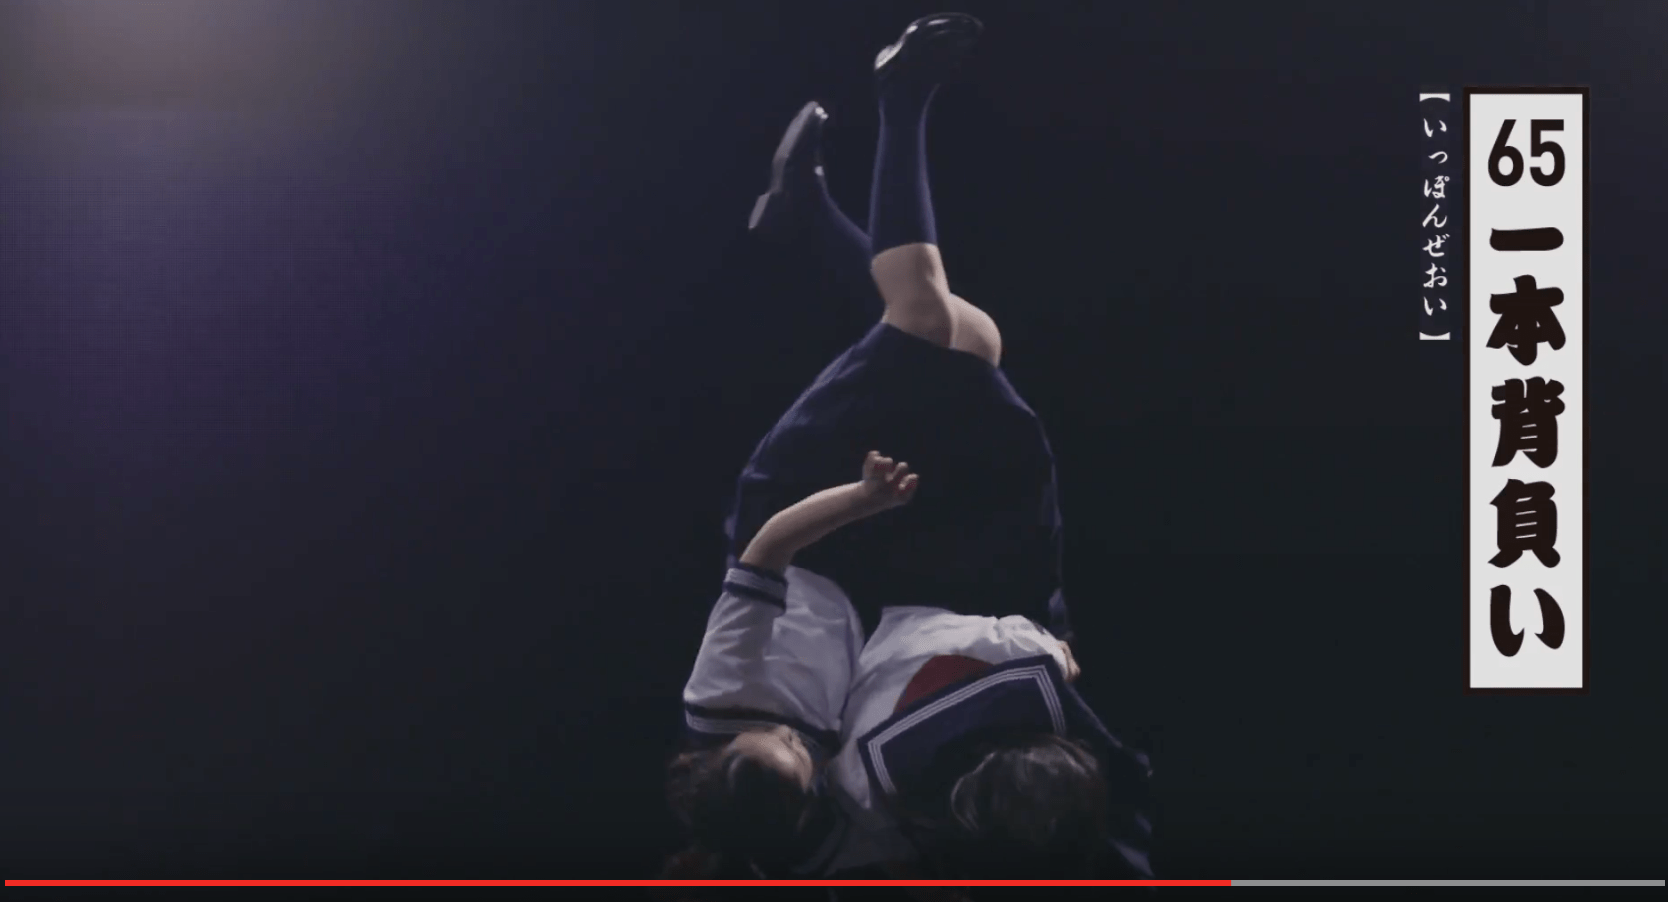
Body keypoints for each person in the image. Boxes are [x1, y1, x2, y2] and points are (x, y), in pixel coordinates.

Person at [740, 13, 1156, 880]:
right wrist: (1047, 650)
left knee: (930, 320)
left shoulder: (870, 802)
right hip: (987, 559)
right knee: (971, 339)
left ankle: (900, 98)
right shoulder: (1083, 798)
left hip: (849, 543)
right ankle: (812, 214)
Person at [664, 451, 918, 880]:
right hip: (857, 585)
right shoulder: (812, 797)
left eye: (772, 737)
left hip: (792, 526)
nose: (789, 734)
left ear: (716, 755)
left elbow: (770, 548)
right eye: (798, 751)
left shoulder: (719, 693)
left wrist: (863, 497)